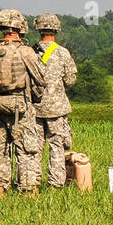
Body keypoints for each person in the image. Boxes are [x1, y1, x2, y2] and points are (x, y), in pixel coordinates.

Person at [0, 9, 46, 195]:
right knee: (26, 149)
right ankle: (27, 190)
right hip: (20, 106)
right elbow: (40, 79)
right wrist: (35, 97)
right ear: (20, 27)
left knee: (0, 149)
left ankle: (0, 189)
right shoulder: (26, 52)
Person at [33, 14, 78, 189]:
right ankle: (55, 184)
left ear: (38, 29)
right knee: (57, 147)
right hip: (57, 109)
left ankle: (32, 184)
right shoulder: (62, 53)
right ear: (56, 29)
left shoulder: (31, 51)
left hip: (34, 108)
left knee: (34, 149)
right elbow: (70, 80)